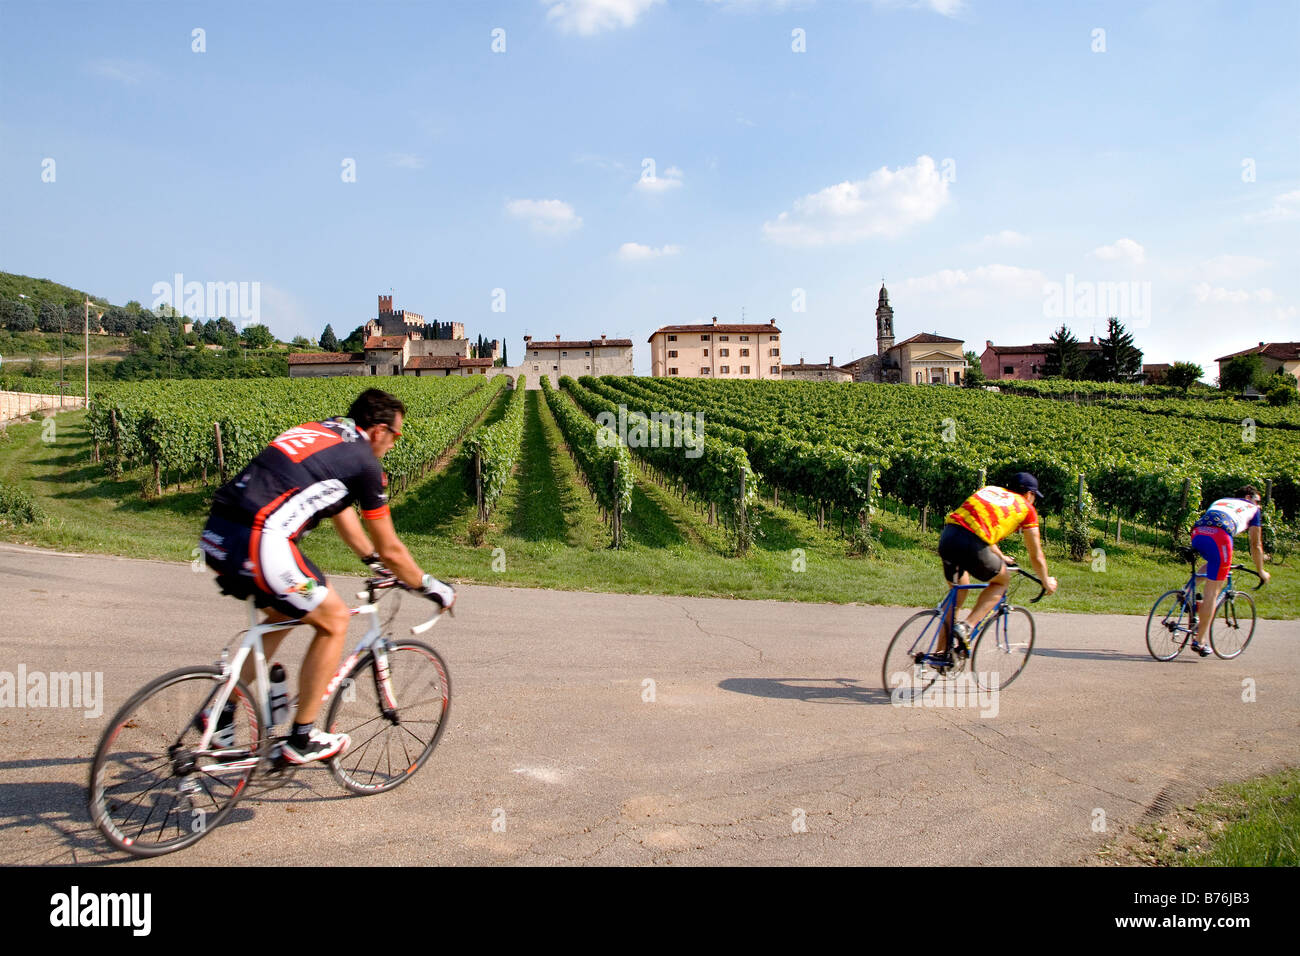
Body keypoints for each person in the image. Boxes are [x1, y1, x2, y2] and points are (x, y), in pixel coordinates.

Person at [198, 388, 456, 763]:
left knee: (287, 611)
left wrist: (369, 558)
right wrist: (432, 587)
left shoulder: (325, 434)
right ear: (380, 430)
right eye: (396, 436)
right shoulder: (365, 460)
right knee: (334, 618)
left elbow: (340, 509)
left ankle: (219, 711)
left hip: (218, 532)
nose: (394, 445)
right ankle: (302, 738)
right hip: (260, 539)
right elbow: (392, 547)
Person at [934, 472, 1059, 666]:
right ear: (1028, 494)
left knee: (958, 592)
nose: (1034, 502)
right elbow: (1036, 555)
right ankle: (967, 627)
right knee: (1002, 581)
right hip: (971, 545)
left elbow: (978, 526)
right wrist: (1046, 581)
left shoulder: (990, 491)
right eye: (1035, 497)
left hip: (949, 537)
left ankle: (941, 654)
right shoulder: (1025, 507)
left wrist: (1000, 558)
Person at [1189, 487, 1270, 656]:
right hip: (1220, 536)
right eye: (1258, 500)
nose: (1259, 505)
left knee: (1213, 563)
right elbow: (1256, 545)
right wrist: (1261, 571)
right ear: (1249, 497)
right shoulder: (1253, 510)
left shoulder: (1223, 500)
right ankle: (1200, 641)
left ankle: (1186, 592)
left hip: (1197, 532)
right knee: (1212, 592)